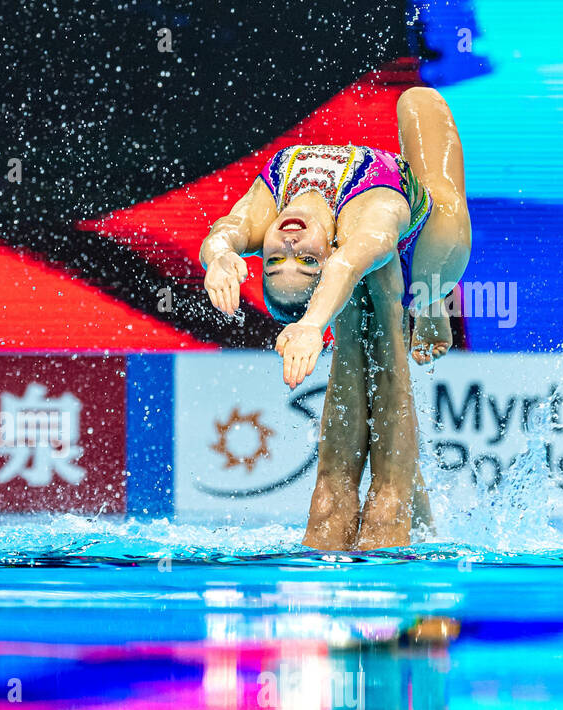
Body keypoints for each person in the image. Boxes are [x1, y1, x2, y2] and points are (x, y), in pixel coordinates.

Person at [200, 87, 470, 548]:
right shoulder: (362, 228)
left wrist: (220, 256)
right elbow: (345, 264)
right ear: (325, 258)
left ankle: (425, 306)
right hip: (428, 251)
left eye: (274, 261)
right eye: (306, 261)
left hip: (355, 257)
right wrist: (310, 326)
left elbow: (226, 229)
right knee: (421, 108)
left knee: (417, 99)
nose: (288, 247)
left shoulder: (269, 211)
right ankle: (428, 298)